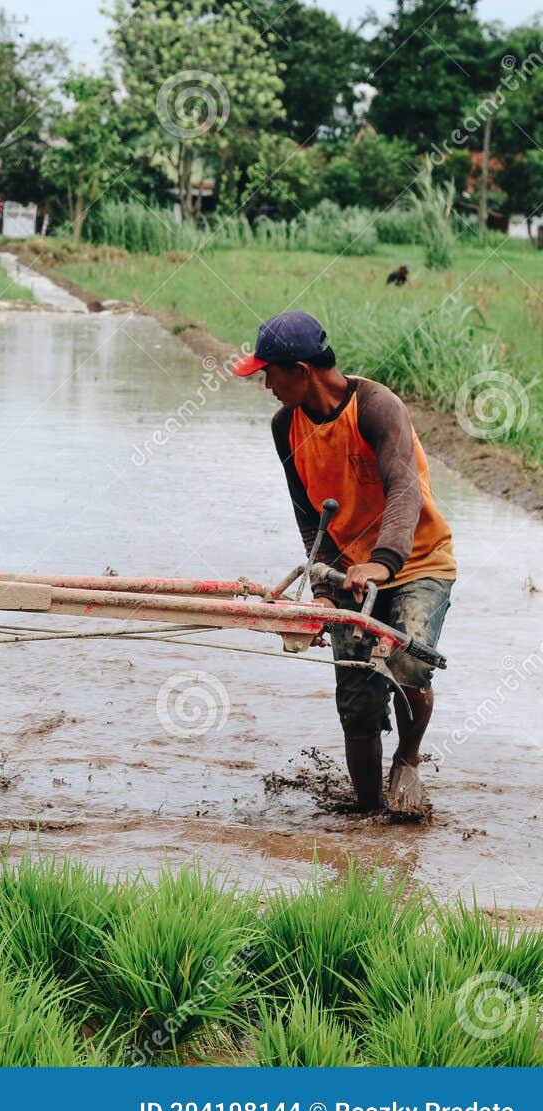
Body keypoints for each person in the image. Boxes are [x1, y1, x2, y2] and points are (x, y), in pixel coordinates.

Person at [232, 310, 454, 816]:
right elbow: (311, 515)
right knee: (357, 699)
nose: (266, 385)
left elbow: (404, 489)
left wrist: (383, 561)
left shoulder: (377, 407)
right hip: (348, 571)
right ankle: (367, 816)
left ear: (302, 370)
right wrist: (324, 588)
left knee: (408, 666)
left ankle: (409, 757)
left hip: (417, 559)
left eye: (270, 372)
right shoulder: (284, 425)